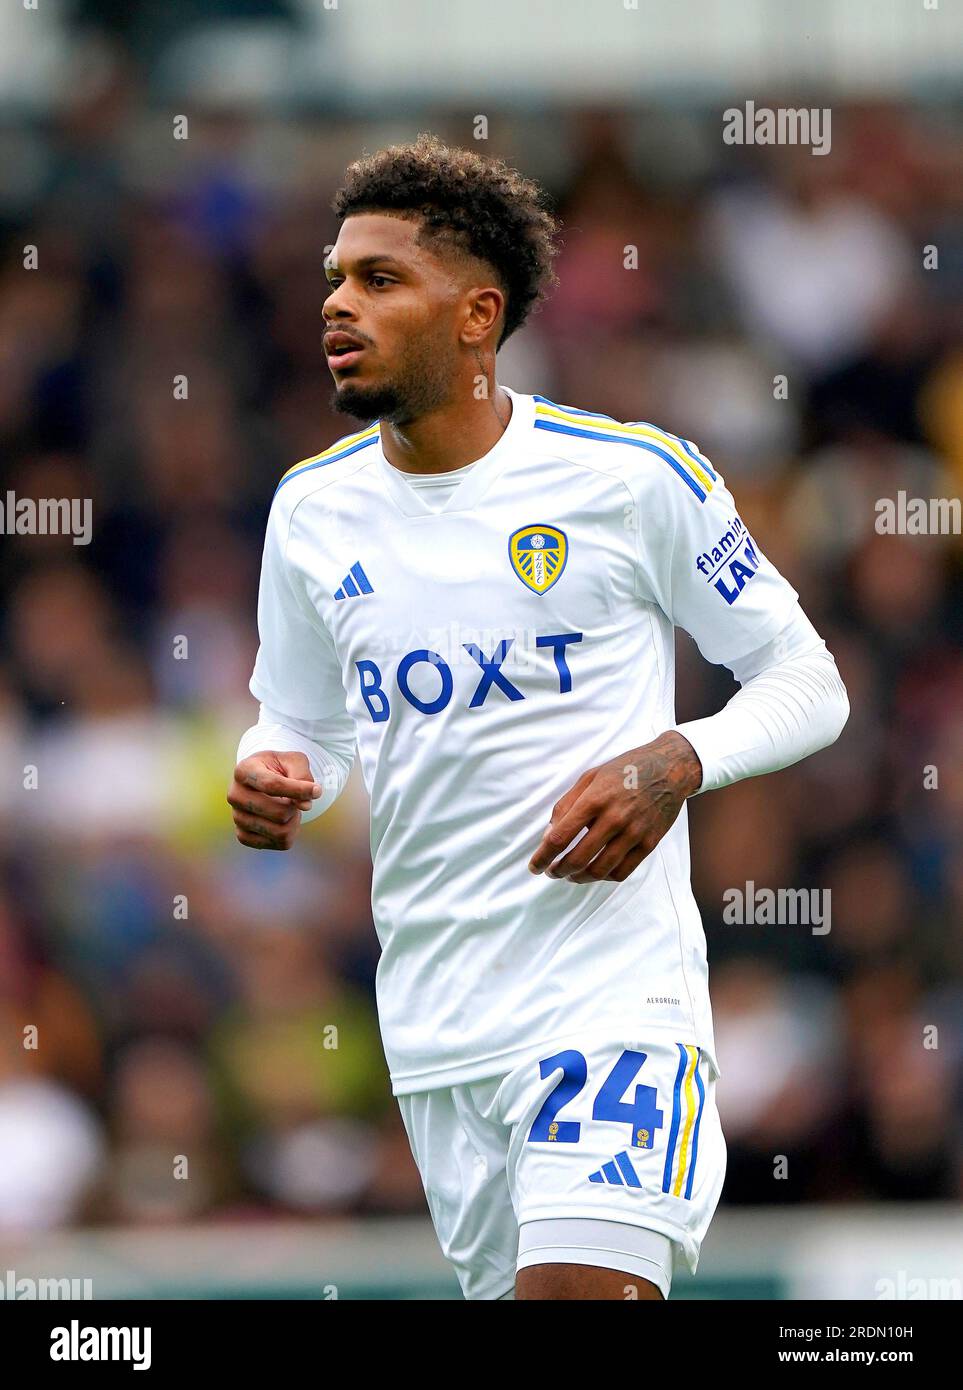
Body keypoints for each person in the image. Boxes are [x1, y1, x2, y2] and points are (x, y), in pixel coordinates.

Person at [228, 134, 849, 1300]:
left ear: (477, 316)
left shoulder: (627, 478)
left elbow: (808, 679)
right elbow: (299, 720)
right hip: (438, 1026)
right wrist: (276, 771)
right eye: (333, 276)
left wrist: (676, 760)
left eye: (378, 279)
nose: (337, 303)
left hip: (612, 1005)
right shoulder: (311, 513)